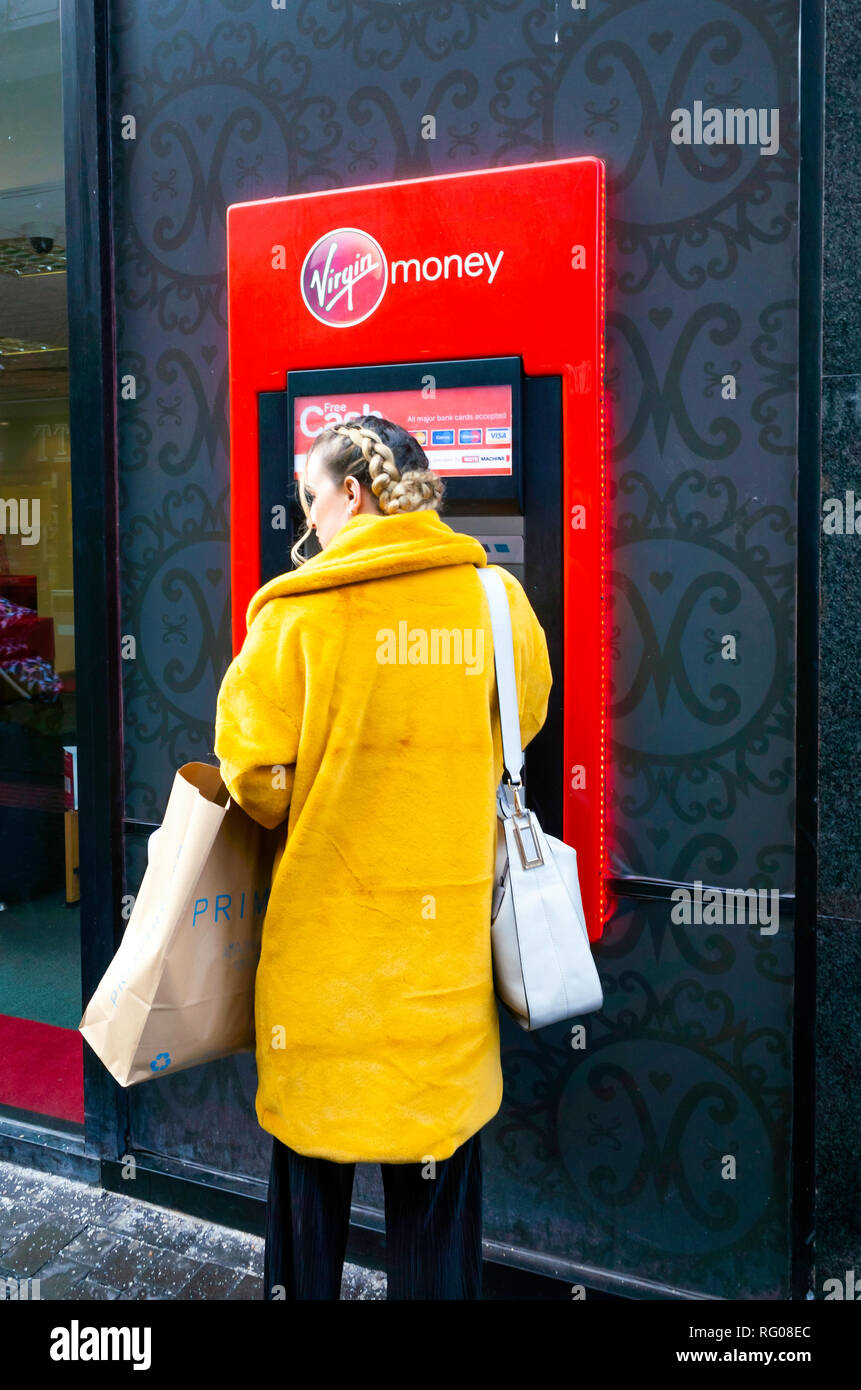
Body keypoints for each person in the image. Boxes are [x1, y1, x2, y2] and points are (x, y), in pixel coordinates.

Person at [214, 415, 552, 1300]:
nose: (308, 523)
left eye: (311, 500)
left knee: (309, 1191)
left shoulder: (289, 617)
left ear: (351, 494)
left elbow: (256, 783)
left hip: (320, 975)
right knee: (434, 1201)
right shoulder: (492, 601)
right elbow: (525, 722)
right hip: (439, 979)